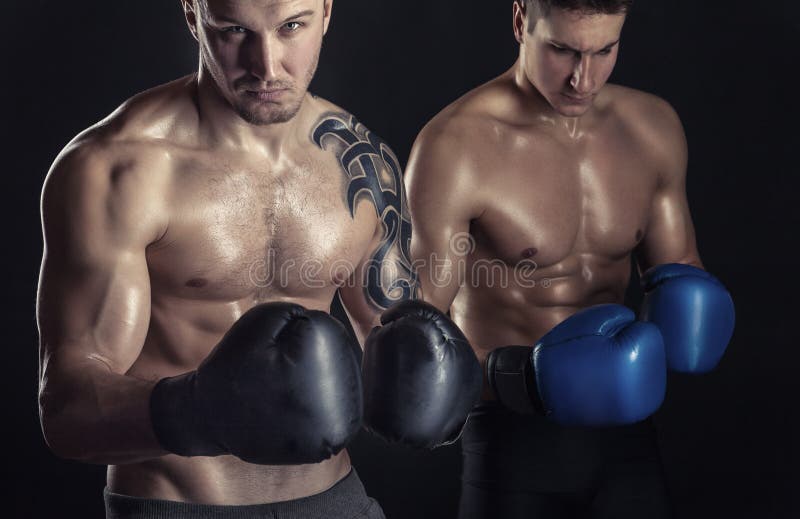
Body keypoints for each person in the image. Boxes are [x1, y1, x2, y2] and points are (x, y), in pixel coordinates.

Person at [36, 1, 480, 517]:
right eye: (233, 31)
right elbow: (66, 412)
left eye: (292, 26)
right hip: (179, 506)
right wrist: (203, 412)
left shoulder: (362, 164)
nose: (267, 66)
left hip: (334, 501)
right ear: (191, 13)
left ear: (327, 11)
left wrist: (428, 382)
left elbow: (399, 345)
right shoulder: (117, 171)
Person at [404, 0, 735, 517]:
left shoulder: (652, 129)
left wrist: (692, 303)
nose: (583, 78)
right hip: (512, 451)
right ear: (521, 21)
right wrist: (523, 377)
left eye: (605, 50)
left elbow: (680, 269)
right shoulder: (455, 148)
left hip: (629, 443)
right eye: (562, 50)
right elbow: (415, 347)